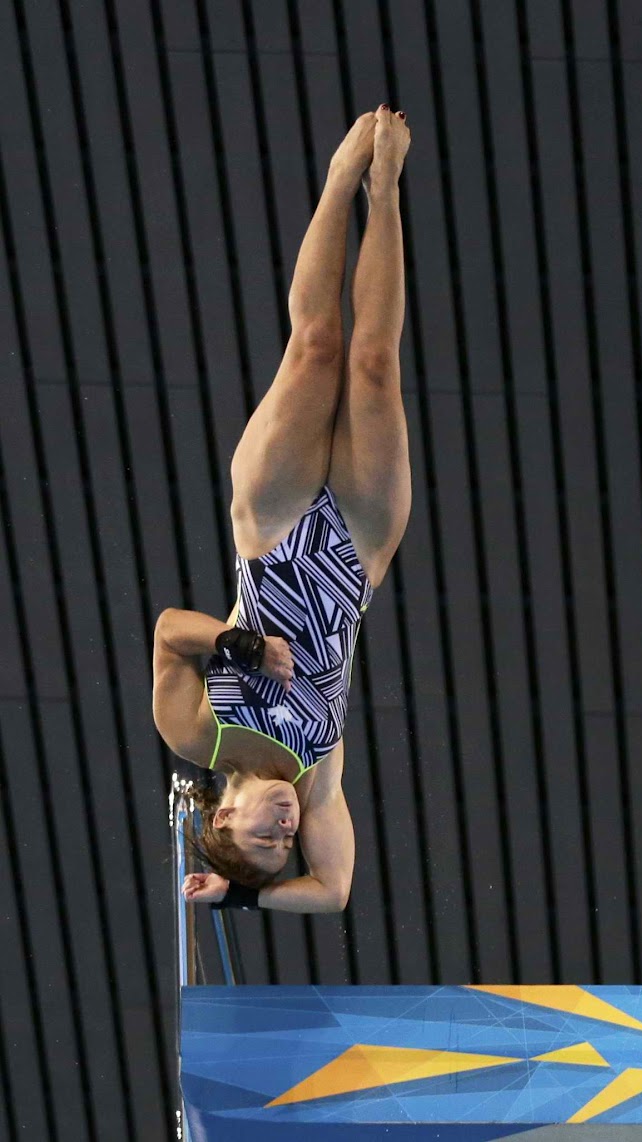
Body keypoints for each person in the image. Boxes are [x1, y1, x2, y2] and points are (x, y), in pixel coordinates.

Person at [153, 107, 412, 913]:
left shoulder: (196, 734)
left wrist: (237, 642)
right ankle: (383, 189)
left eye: (266, 834)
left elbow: (167, 630)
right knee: (373, 363)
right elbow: (334, 893)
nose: (288, 826)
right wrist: (239, 896)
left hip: (271, 528)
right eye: (286, 842)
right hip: (356, 553)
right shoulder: (319, 775)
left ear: (224, 812)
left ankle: (336, 186)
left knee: (318, 346)